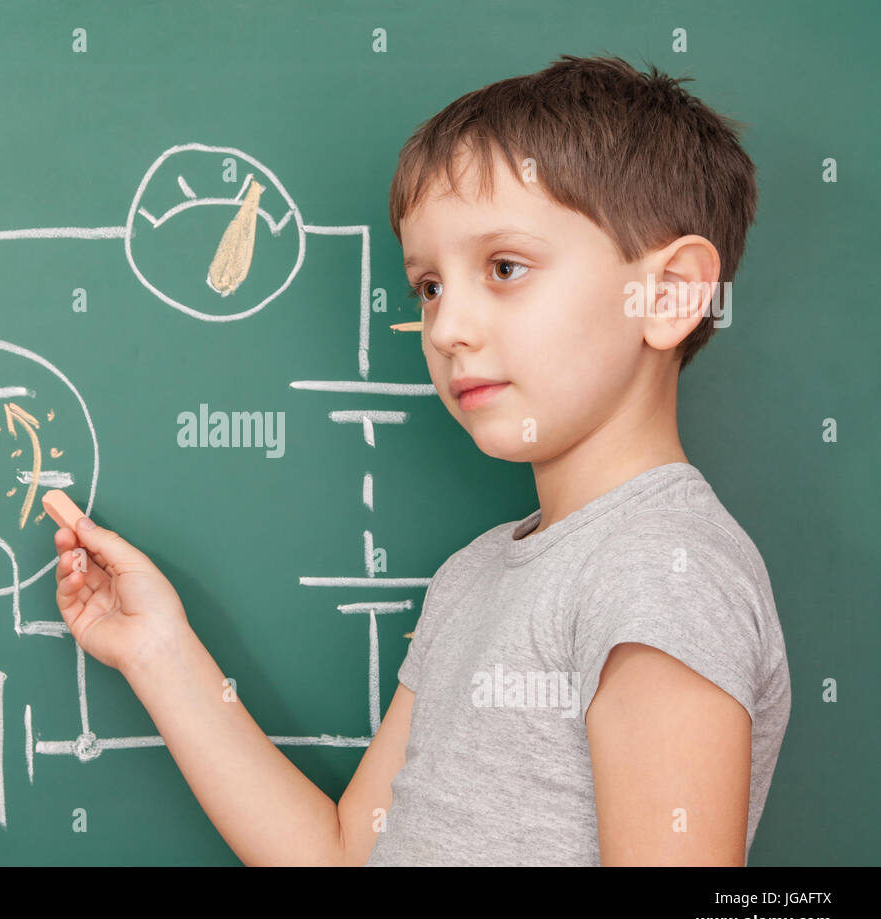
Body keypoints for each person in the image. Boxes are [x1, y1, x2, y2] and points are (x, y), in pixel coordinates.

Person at [52, 54, 791, 866]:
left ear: (670, 293)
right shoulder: (473, 577)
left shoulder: (661, 573)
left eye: (504, 268)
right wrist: (157, 650)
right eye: (430, 287)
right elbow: (341, 854)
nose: (446, 329)